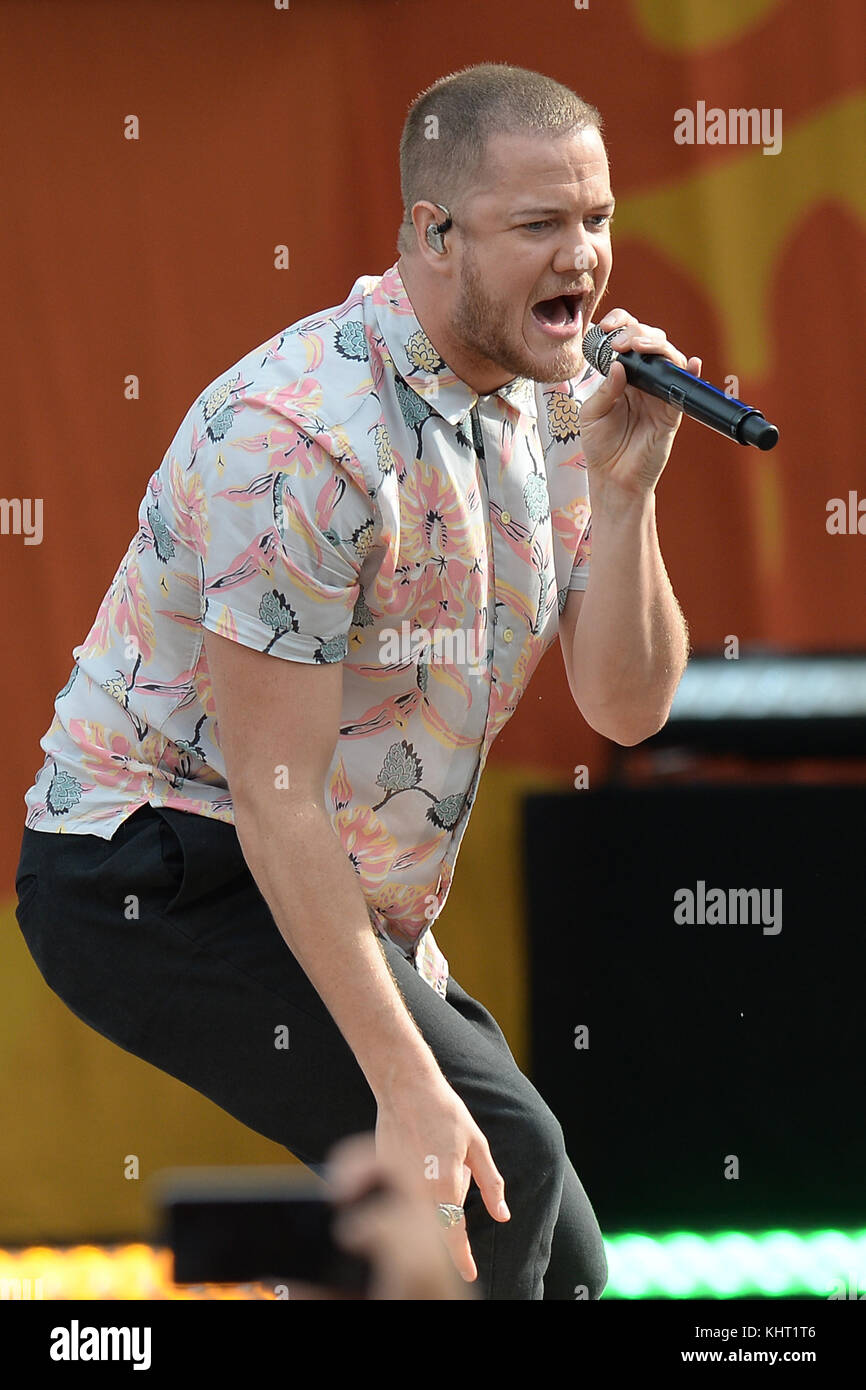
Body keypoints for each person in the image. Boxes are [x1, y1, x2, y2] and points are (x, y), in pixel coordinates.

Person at [15, 62, 698, 1299]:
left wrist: (630, 487)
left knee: (566, 1264)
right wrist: (403, 1082)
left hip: (326, 868)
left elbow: (626, 706)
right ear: (428, 235)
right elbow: (272, 798)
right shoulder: (302, 436)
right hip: (155, 866)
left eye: (595, 220)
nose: (582, 257)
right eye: (537, 223)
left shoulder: (557, 404)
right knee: (495, 1177)